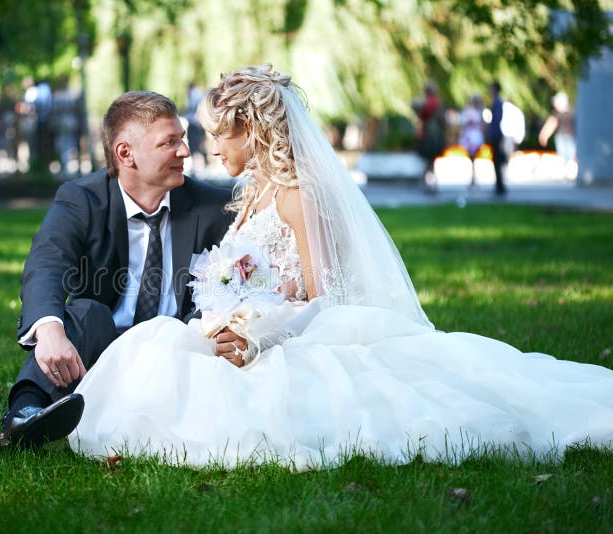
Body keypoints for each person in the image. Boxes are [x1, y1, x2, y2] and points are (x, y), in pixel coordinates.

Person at [67, 65, 613, 470]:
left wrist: (259, 337)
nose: (205, 147)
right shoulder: (251, 193)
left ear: (251, 130)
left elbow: (323, 294)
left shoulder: (297, 195)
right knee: (156, 347)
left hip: (292, 337)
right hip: (236, 332)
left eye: (216, 133)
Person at [0, 91, 232, 449]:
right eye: (169, 142)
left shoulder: (212, 206)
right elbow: (47, 262)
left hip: (177, 351)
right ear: (125, 153)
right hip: (101, 349)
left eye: (181, 139)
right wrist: (49, 331)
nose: (184, 151)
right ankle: (25, 412)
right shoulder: (82, 199)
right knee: (83, 313)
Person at [538, 92, 576, 179]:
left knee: (572, 155)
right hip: (561, 137)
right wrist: (544, 135)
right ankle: (566, 173)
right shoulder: (557, 114)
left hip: (571, 137)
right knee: (563, 155)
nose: (554, 105)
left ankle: (571, 173)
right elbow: (551, 124)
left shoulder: (573, 112)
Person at [415, 81, 445, 191]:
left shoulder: (426, 102)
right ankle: (432, 183)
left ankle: (428, 183)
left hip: (428, 132)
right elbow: (442, 119)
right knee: (432, 160)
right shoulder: (437, 102)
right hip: (434, 132)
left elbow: (421, 116)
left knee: (429, 160)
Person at [458, 94, 484, 187]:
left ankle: (473, 178)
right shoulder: (470, 112)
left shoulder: (477, 111)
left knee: (473, 157)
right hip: (471, 137)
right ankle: (473, 178)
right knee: (472, 157)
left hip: (473, 137)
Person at [487, 81, 507, 195]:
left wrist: (491, 130)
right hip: (495, 133)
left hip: (496, 134)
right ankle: (499, 185)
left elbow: (497, 119)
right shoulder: (496, 102)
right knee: (496, 160)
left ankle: (500, 186)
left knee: (497, 160)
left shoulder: (497, 102)